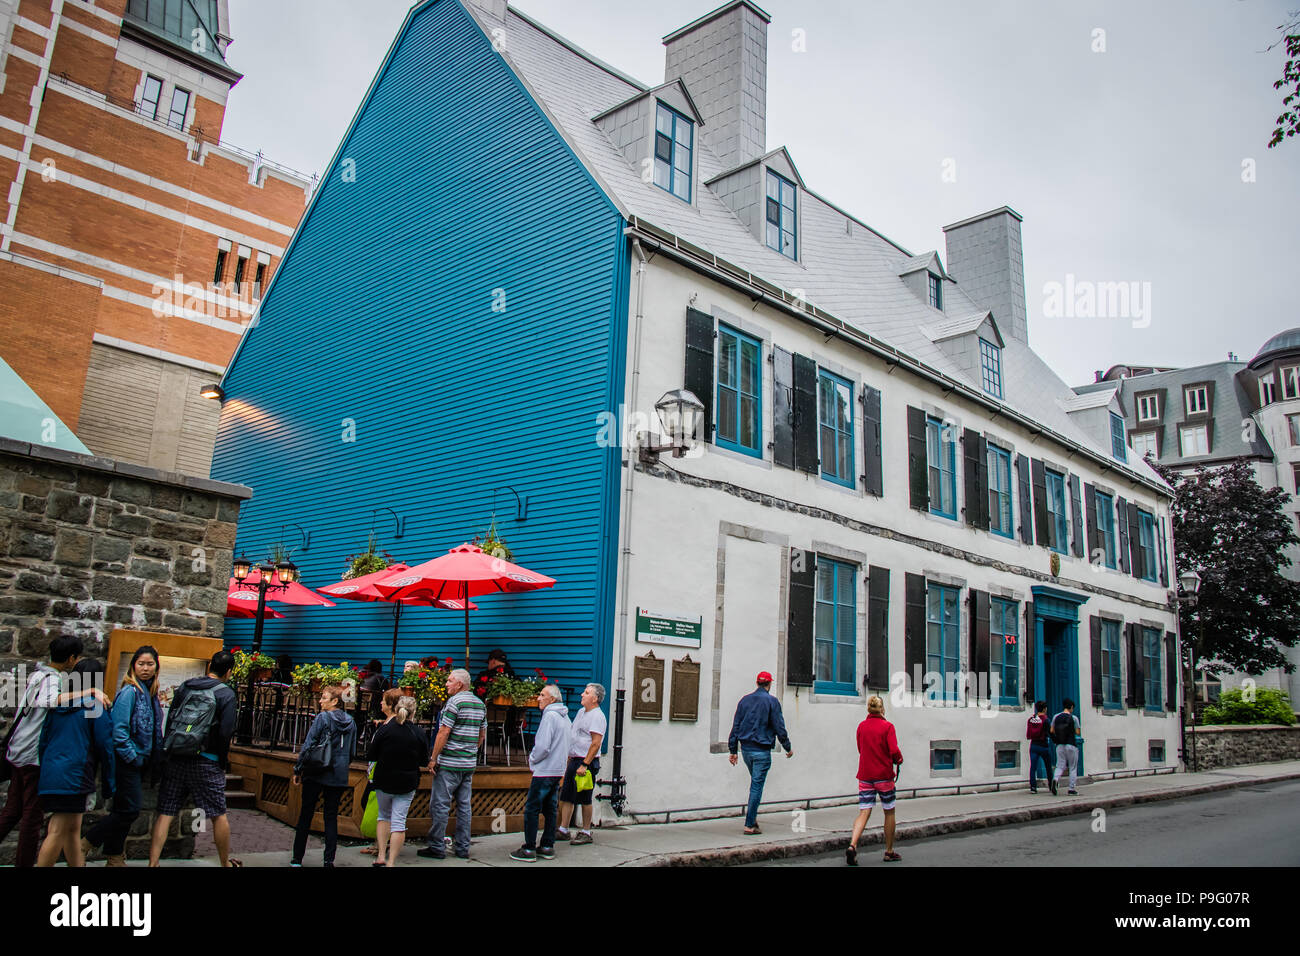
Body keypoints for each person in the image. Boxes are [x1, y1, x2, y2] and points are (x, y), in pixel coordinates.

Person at [0, 635, 101, 867]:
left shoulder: (38, 674)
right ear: (71, 658)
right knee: (32, 819)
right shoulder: (52, 679)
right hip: (32, 756)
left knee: (12, 812)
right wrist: (88, 692)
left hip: (17, 750)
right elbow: (50, 700)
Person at [148, 651, 239, 867]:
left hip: (177, 755)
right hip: (207, 758)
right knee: (218, 813)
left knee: (166, 810)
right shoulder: (226, 694)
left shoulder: (187, 686)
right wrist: (221, 761)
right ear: (228, 672)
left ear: (209, 667)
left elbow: (171, 718)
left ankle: (153, 862)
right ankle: (225, 862)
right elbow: (226, 732)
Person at [83, 645, 165, 866]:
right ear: (133, 666)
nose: (145, 668)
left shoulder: (150, 693)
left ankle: (114, 856)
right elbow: (119, 731)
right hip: (127, 761)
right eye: (141, 664)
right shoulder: (130, 692)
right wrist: (133, 757)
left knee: (122, 810)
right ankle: (86, 843)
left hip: (141, 760)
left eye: (150, 664)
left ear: (156, 666)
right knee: (129, 811)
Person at [35, 658, 115, 867]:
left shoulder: (59, 705)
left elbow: (43, 741)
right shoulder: (94, 705)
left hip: (53, 770)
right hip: (75, 774)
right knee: (58, 830)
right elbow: (105, 745)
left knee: (72, 829)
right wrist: (109, 781)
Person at [418, 668, 485, 861]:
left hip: (449, 762)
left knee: (440, 804)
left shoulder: (454, 703)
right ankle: (463, 846)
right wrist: (471, 750)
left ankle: (437, 845)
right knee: (464, 806)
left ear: (460, 684)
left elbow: (443, 732)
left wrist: (433, 757)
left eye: (449, 680)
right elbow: (482, 735)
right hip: (468, 763)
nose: (446, 684)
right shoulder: (480, 704)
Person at [290, 684, 357, 867]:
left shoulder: (323, 718)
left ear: (335, 701)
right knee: (331, 816)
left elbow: (309, 744)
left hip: (317, 770)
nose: (320, 701)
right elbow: (352, 751)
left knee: (306, 814)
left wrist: (298, 769)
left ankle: (297, 858)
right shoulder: (351, 722)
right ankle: (329, 860)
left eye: (324, 698)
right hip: (339, 773)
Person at [727, 671, 793, 835]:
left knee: (755, 784)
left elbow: (736, 725)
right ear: (769, 684)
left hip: (746, 751)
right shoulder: (772, 701)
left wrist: (733, 750)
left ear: (757, 683)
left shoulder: (744, 701)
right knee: (756, 787)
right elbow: (779, 727)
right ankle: (749, 824)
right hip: (762, 751)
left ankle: (753, 817)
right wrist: (787, 747)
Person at [510, 685, 570, 862]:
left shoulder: (550, 716)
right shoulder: (565, 718)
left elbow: (543, 745)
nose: (538, 698)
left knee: (532, 809)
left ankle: (529, 848)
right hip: (557, 769)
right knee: (551, 809)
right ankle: (547, 845)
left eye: (542, 695)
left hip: (544, 770)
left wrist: (533, 759)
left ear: (552, 699)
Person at [369, 690, 427, 867]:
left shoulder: (385, 729)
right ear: (414, 712)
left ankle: (380, 855)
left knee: (383, 816)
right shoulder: (418, 733)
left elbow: (372, 754)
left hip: (383, 779)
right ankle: (391, 861)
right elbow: (424, 760)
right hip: (407, 781)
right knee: (398, 821)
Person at [846, 695, 904, 865]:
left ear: (868, 709)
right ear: (882, 709)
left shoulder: (861, 726)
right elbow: (893, 750)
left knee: (864, 811)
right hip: (883, 775)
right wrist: (898, 759)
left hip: (865, 775)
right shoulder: (888, 727)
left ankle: (852, 845)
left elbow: (860, 748)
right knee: (889, 811)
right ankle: (889, 851)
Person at [556, 682, 606, 845]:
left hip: (587, 761)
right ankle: (563, 829)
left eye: (586, 693)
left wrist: (585, 764)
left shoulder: (597, 716)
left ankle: (586, 831)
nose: (582, 695)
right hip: (575, 758)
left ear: (595, 698)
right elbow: (574, 735)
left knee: (585, 797)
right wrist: (569, 758)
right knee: (567, 795)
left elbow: (596, 743)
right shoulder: (580, 712)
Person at [1051, 698, 1082, 795]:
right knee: (1072, 767)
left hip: (1059, 745)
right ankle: (1071, 789)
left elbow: (1052, 730)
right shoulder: (1074, 718)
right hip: (1071, 744)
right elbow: (1077, 732)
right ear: (1071, 707)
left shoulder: (1056, 716)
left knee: (1060, 765)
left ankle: (1055, 779)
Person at [1026, 699, 1055, 795]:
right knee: (1048, 766)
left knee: (1033, 767)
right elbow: (1050, 733)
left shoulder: (1032, 719)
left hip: (1033, 745)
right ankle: (1051, 785)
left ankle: (1033, 787)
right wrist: (1056, 741)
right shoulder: (1046, 720)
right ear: (1045, 709)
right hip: (1043, 745)